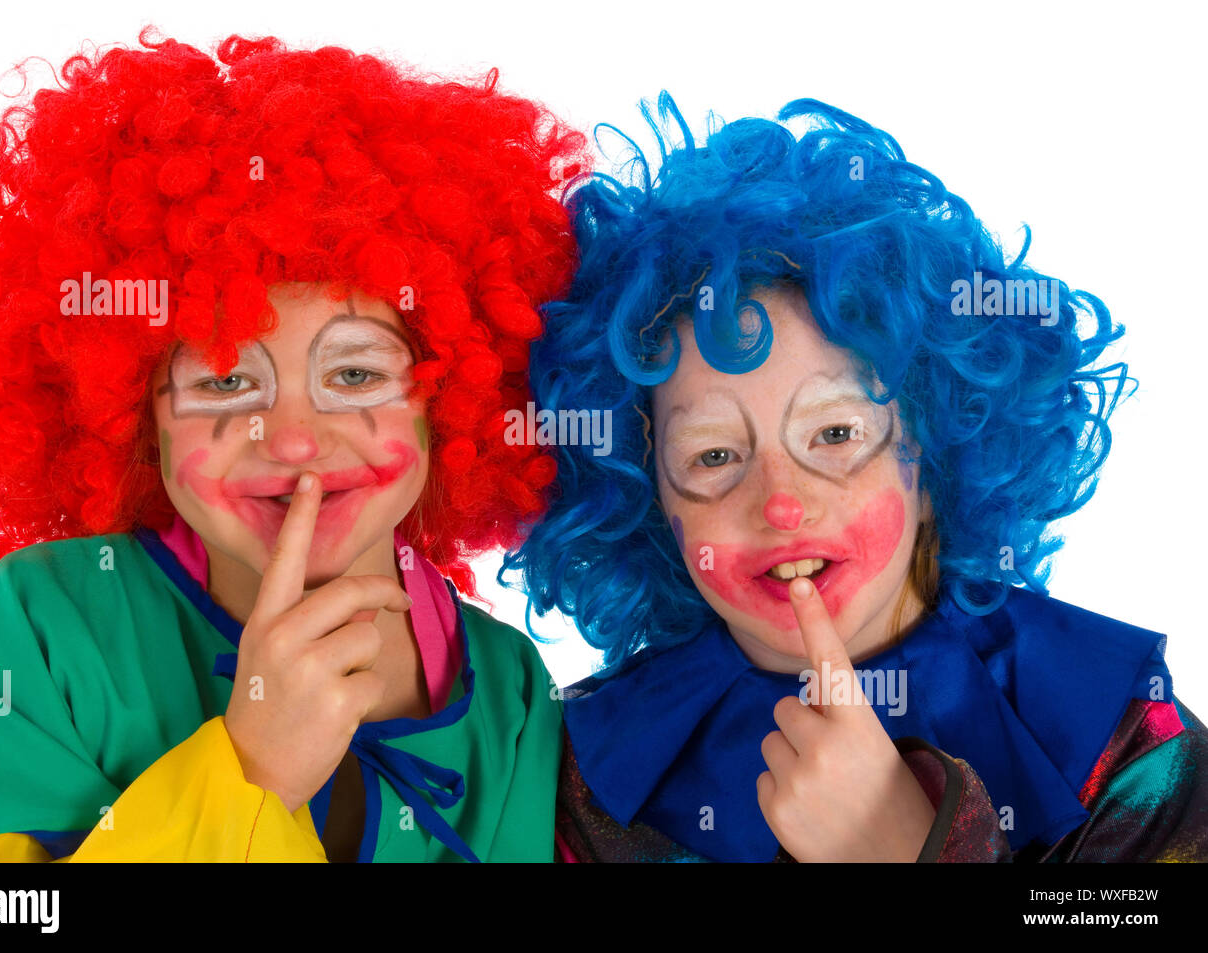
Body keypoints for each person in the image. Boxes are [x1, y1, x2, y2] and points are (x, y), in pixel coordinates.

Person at [0, 31, 585, 862]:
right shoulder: (40, 630)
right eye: (226, 383)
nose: (296, 437)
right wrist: (250, 773)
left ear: (447, 401)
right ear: (130, 418)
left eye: (356, 374)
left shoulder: (509, 688)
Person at [512, 94, 1208, 862]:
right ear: (651, 504)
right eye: (712, 457)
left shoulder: (1107, 724)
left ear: (935, 457)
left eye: (836, 434)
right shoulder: (585, 777)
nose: (780, 503)